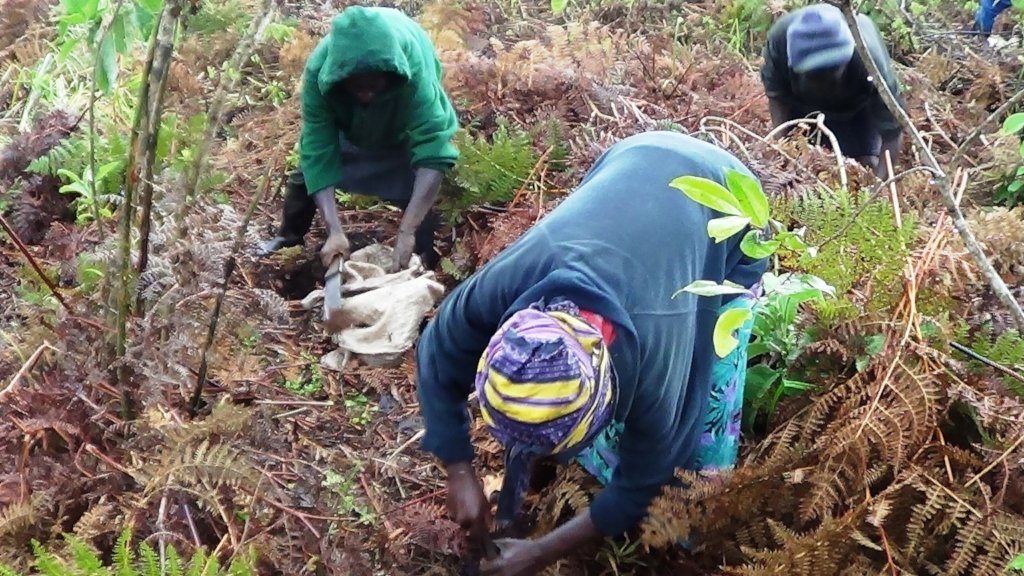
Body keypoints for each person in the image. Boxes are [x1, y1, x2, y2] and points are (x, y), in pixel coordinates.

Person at [414, 131, 768, 575]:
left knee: (700, 437)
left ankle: (687, 543)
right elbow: (437, 350)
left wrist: (542, 551)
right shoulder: (512, 280)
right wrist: (458, 466)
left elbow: (650, 475)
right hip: (631, 157)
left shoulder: (662, 351)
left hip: (733, 209)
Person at [258, 6, 460, 272]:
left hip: (399, 123)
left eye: (372, 86)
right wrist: (334, 230)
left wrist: (406, 231)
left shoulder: (412, 68)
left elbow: (434, 149)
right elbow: (318, 153)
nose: (365, 95)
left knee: (418, 196)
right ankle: (288, 239)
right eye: (357, 88)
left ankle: (422, 262)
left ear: (388, 76)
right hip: (349, 123)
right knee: (304, 181)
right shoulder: (320, 74)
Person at [760, 4, 906, 178]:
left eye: (830, 73)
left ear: (846, 59)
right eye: (815, 75)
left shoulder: (870, 61)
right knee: (799, 168)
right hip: (800, 102)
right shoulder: (780, 42)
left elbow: (892, 134)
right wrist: (781, 152)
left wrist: (878, 190)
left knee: (864, 166)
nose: (823, 85)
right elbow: (777, 97)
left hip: (854, 109)